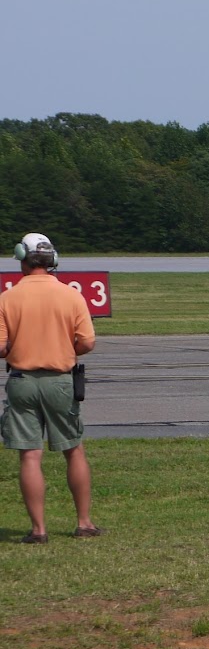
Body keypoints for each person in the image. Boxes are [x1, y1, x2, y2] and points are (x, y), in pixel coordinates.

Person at [0, 233, 99, 543]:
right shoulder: (71, 296)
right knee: (73, 449)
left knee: (30, 455)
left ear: (22, 258)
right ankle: (83, 522)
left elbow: (1, 348)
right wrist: (65, 349)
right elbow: (87, 342)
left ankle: (38, 530)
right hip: (60, 381)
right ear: (52, 260)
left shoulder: (7, 298)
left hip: (22, 381)